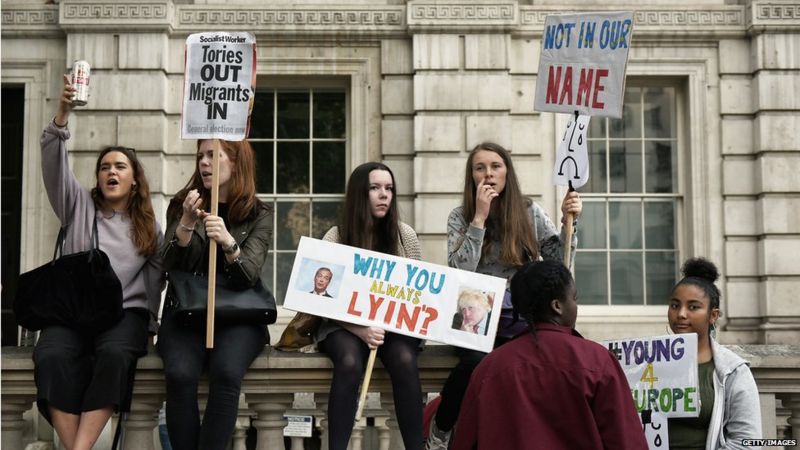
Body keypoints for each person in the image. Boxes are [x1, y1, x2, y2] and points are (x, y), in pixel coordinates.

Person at [33, 75, 163, 450]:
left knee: (114, 355)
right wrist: (62, 115)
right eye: (105, 166)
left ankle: (79, 447)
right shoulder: (77, 205)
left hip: (124, 314)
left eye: (120, 166)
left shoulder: (149, 226)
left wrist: (152, 323)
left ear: (135, 180)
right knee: (50, 354)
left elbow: (155, 279)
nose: (111, 171)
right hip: (72, 312)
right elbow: (53, 163)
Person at [427, 142, 582, 449]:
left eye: (495, 166)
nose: (488, 174)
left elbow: (559, 263)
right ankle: (442, 427)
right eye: (479, 168)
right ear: (471, 176)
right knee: (474, 363)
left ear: (507, 172)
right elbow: (461, 270)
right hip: (478, 318)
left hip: (523, 316)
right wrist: (479, 219)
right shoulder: (460, 217)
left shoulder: (529, 211)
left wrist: (569, 224)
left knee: (563, 354)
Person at [451, 260, 648, 450]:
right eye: (574, 298)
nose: (576, 306)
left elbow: (465, 442)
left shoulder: (488, 368)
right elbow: (626, 441)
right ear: (557, 306)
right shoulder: (598, 361)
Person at [158, 139, 272, 450]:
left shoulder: (258, 213)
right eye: (200, 157)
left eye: (212, 155)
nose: (204, 163)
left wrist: (227, 242)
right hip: (187, 311)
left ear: (236, 162)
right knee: (180, 376)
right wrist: (185, 223)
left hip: (238, 314)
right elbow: (165, 263)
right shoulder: (184, 203)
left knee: (226, 373)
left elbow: (249, 274)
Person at [316, 162, 424, 450]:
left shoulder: (405, 236)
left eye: (388, 189)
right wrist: (360, 329)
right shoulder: (335, 237)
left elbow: (418, 295)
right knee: (350, 362)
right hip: (343, 326)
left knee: (403, 359)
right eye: (375, 188)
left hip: (394, 326)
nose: (383, 195)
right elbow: (320, 300)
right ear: (359, 194)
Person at [666, 258, 761, 449]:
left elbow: (748, 443)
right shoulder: (647, 362)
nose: (681, 314)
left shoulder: (733, 371)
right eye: (675, 305)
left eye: (693, 307)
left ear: (713, 315)